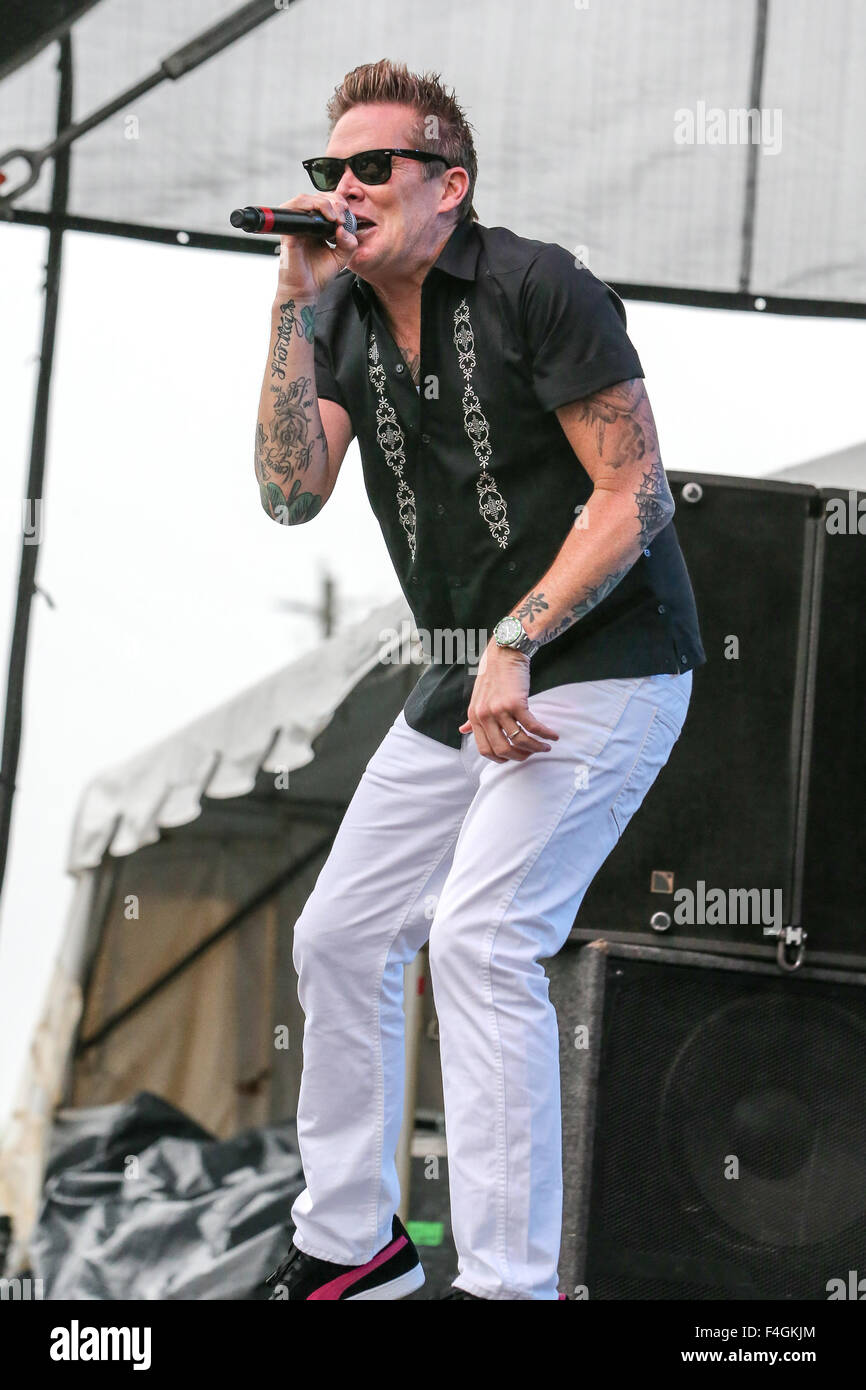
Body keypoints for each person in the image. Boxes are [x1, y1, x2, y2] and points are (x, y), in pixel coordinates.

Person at [255, 58, 706, 1300]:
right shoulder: (339, 316)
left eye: (371, 167)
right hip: (461, 672)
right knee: (340, 936)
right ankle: (355, 1246)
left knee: (481, 938)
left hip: (603, 657)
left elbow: (635, 493)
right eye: (326, 170)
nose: (343, 189)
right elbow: (290, 493)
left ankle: (506, 1284)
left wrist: (516, 636)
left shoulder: (535, 286)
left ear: (448, 185)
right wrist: (293, 306)